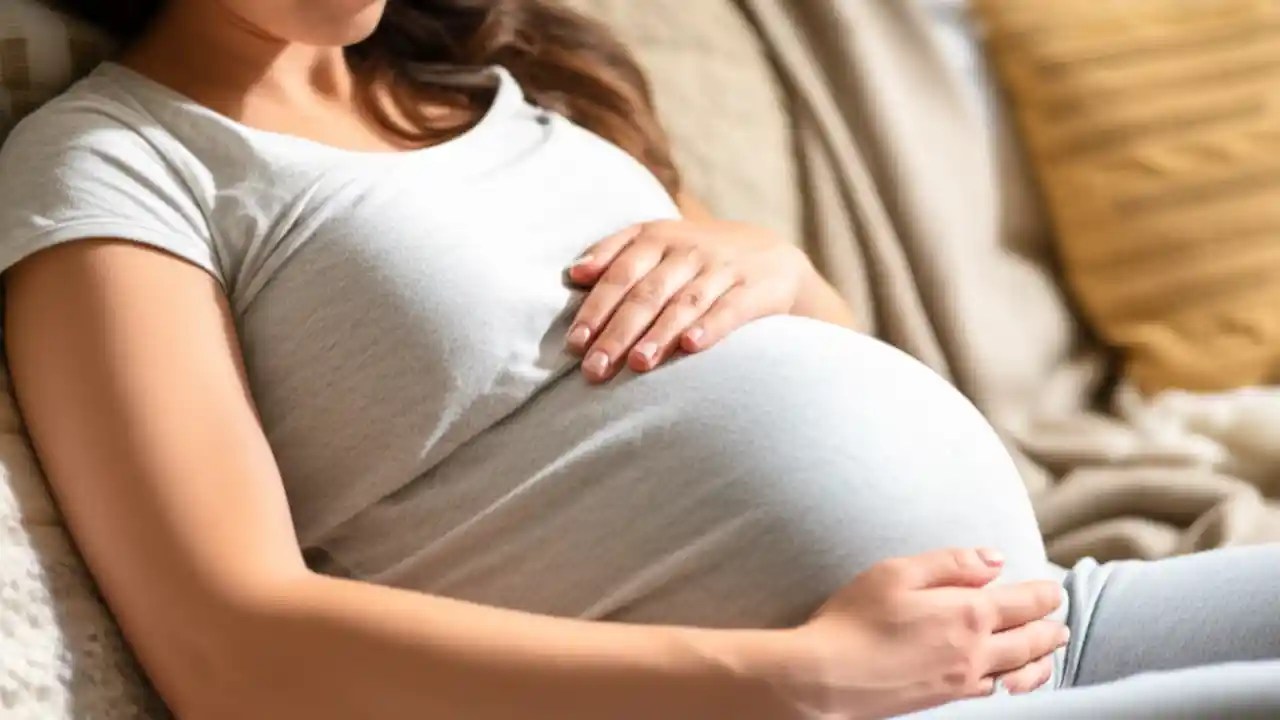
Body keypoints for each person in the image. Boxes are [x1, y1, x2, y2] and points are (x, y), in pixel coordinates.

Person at [0, 1, 1275, 718]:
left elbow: (745, 381)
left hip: (1034, 619)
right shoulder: (116, 166)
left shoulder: (501, 87)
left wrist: (787, 272)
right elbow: (234, 651)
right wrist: (794, 677)